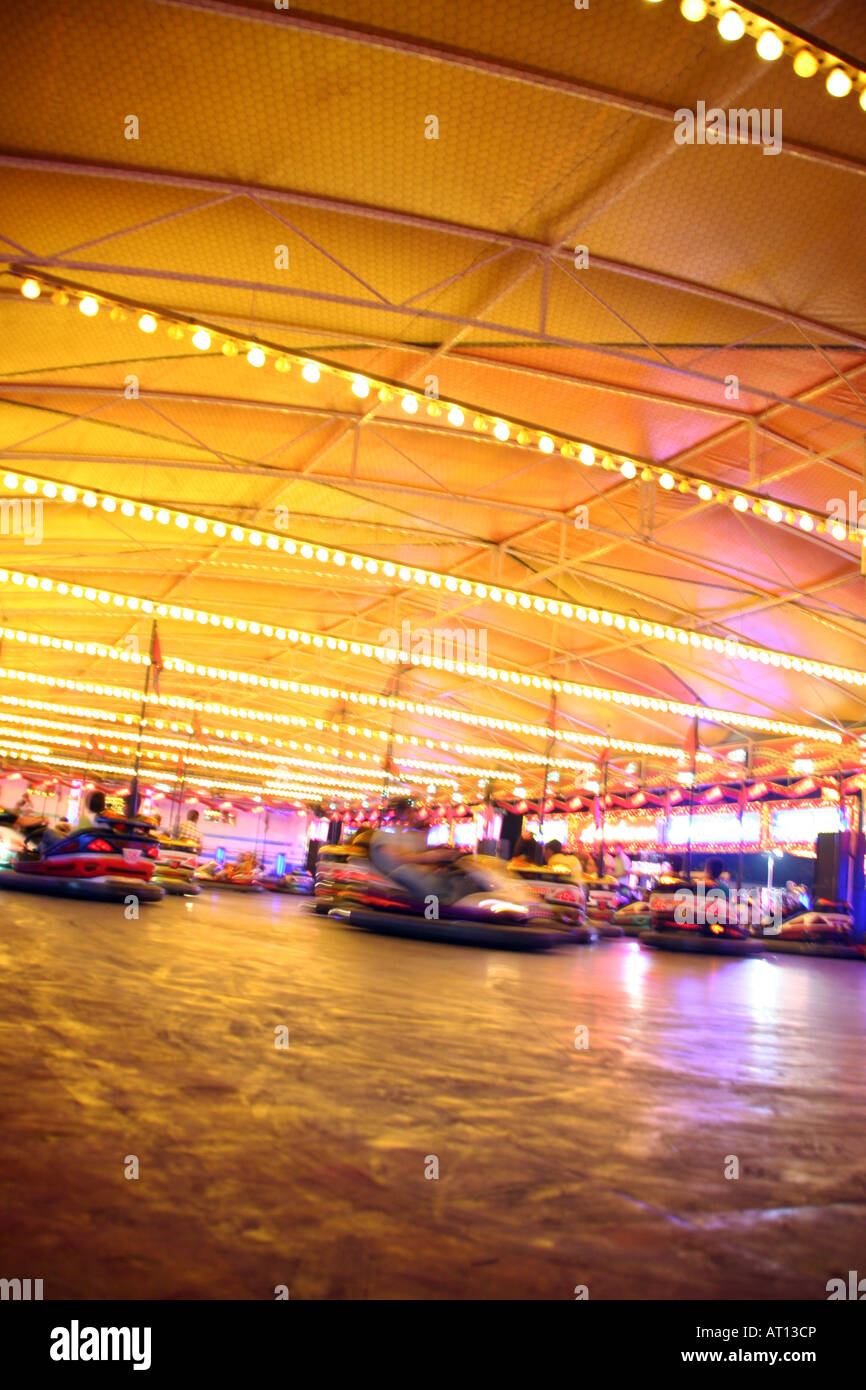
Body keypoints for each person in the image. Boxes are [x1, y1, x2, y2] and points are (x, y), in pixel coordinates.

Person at [369, 798, 463, 902]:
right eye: (411, 811)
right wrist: (431, 856)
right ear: (403, 812)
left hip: (409, 885)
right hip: (400, 888)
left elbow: (417, 856)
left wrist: (435, 863)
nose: (414, 815)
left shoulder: (409, 834)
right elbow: (394, 860)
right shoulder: (385, 834)